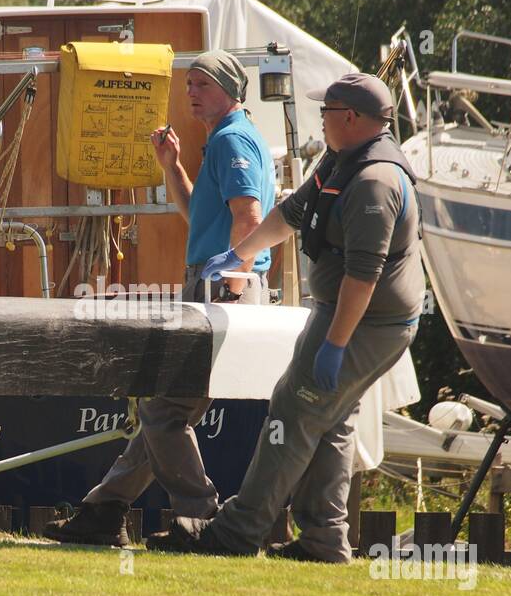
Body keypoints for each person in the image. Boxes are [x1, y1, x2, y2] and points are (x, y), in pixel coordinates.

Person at [146, 72, 422, 562]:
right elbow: (290, 213)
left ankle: (238, 531)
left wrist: (335, 346)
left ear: (351, 118)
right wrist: (240, 254)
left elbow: (363, 279)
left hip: (364, 322)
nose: (320, 118)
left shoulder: (375, 183)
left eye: (326, 112)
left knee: (294, 410)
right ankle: (323, 539)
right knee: (330, 419)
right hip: (344, 313)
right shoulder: (341, 161)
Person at [44, 50, 276, 547]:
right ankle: (104, 511)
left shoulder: (232, 138)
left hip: (220, 291)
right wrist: (170, 167)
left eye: (202, 84)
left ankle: (199, 518)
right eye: (189, 83)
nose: (190, 92)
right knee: (165, 411)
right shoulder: (227, 139)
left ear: (231, 91)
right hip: (217, 286)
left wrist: (229, 293)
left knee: (162, 411)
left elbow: (249, 220)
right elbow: (202, 220)